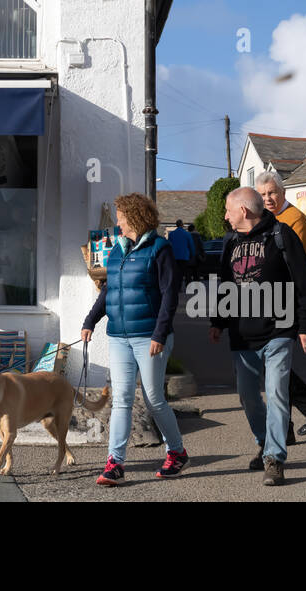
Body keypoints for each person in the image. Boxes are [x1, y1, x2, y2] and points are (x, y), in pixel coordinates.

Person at [209, 187, 306, 487]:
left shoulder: (281, 236)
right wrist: (218, 320)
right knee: (247, 396)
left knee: (277, 393)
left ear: (243, 211)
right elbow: (224, 283)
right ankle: (264, 442)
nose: (225, 216)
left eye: (228, 210)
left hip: (279, 331)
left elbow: (304, 282)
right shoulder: (230, 241)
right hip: (242, 335)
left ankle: (274, 458)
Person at [81, 193, 189, 486]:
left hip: (151, 337)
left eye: (121, 217)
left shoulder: (159, 249)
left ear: (135, 218)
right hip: (119, 337)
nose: (117, 222)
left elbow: (169, 295)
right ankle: (115, 463)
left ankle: (176, 452)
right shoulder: (117, 251)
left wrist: (159, 333)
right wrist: (91, 320)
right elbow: (109, 291)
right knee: (122, 399)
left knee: (154, 399)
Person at [255, 171, 306, 437]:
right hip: (268, 299)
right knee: (273, 364)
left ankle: (287, 427)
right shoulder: (266, 220)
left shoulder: (295, 219)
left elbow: (292, 264)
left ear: (283, 193)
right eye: (263, 194)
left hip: (288, 298)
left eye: (272, 193)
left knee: (275, 363)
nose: (268, 199)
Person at [168, 219, 195, 285]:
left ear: (176, 225)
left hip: (175, 256)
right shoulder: (187, 234)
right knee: (186, 272)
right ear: (182, 225)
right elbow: (191, 245)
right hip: (185, 256)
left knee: (177, 272)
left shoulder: (171, 234)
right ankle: (188, 285)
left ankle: (178, 286)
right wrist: (192, 254)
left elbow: (168, 245)